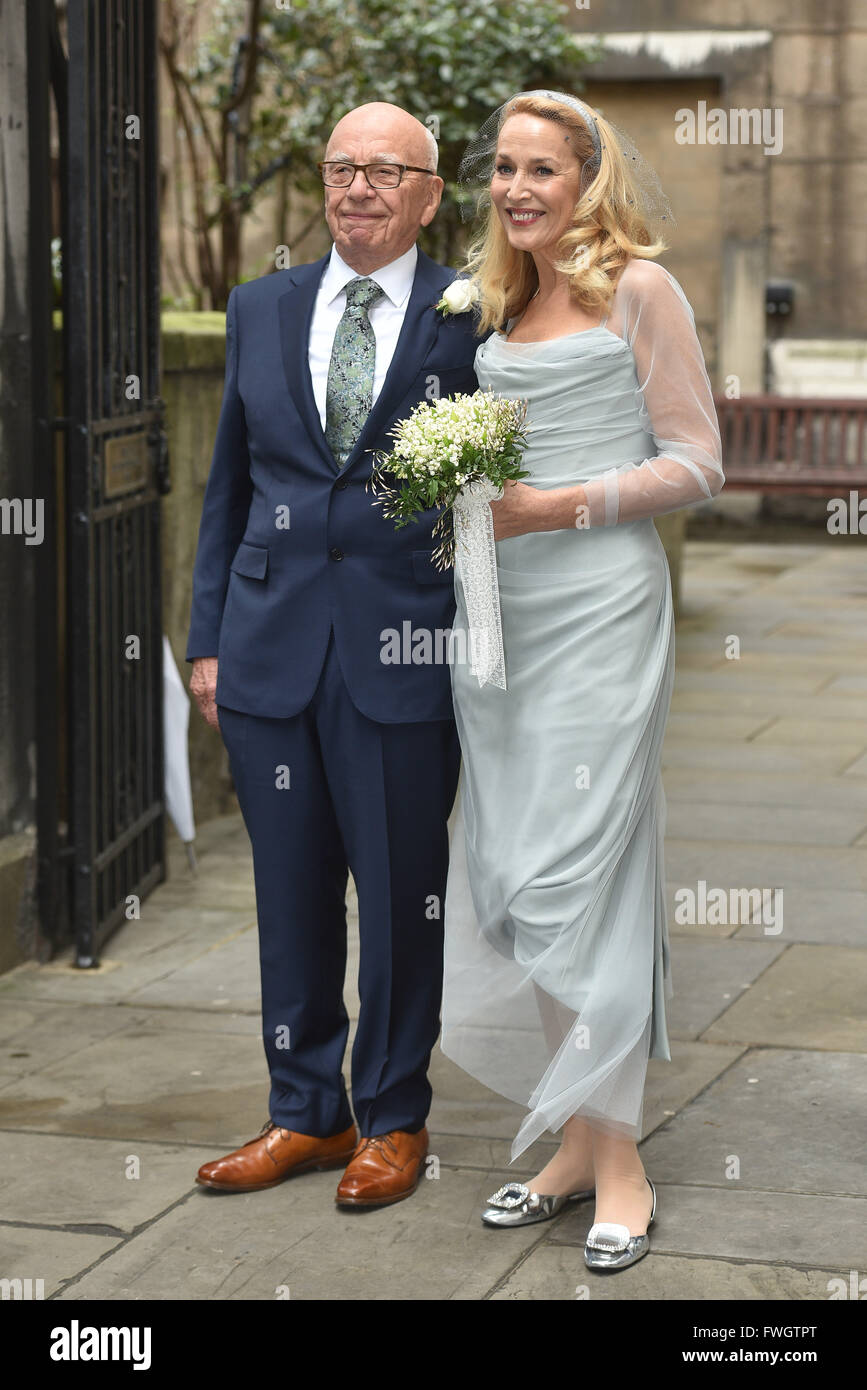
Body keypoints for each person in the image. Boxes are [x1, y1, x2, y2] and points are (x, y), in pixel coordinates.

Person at [440, 90, 724, 1270]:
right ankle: (568, 1142)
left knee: (588, 874)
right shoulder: (496, 302)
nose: (515, 189)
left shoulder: (641, 291)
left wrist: (555, 505)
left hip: (603, 611)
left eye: (540, 170)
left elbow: (698, 460)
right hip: (504, 622)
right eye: (502, 168)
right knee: (522, 878)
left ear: (586, 181)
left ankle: (623, 1166)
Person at [186, 103, 482, 1208]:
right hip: (267, 653)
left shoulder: (473, 313)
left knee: (405, 894)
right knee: (290, 892)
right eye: (340, 168)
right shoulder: (260, 307)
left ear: (427, 193)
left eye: (384, 170)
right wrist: (206, 635)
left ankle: (393, 1118)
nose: (357, 187)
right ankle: (303, 1111)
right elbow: (230, 484)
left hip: (404, 649)